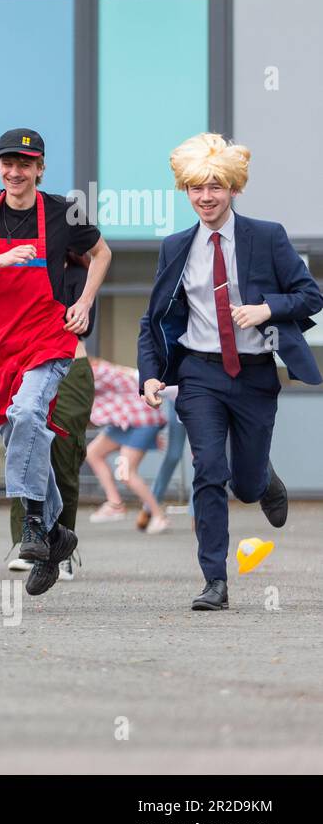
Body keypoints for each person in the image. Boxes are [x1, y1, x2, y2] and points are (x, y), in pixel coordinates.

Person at [139, 132, 322, 611]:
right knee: (208, 470)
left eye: (215, 188)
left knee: (243, 481)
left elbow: (311, 296)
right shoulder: (176, 246)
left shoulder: (267, 236)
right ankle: (214, 581)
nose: (206, 198)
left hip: (256, 373)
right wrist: (151, 374)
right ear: (186, 191)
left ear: (234, 189)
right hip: (199, 374)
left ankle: (262, 478)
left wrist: (266, 310)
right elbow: (153, 317)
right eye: (196, 189)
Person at [0, 129, 112, 597]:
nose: (15, 171)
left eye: (26, 163)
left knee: (28, 413)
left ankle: (34, 525)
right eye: (8, 163)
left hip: (48, 335)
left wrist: (85, 303)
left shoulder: (62, 210)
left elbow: (102, 253)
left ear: (40, 168)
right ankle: (58, 536)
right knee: (21, 431)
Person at [5, 257, 96, 581]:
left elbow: (82, 324)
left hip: (69, 366)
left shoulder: (79, 272)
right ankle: (28, 543)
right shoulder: (19, 265)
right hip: (24, 362)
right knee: (25, 447)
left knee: (64, 456)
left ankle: (63, 549)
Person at [83, 358, 169, 532]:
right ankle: (115, 504)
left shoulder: (96, 372)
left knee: (126, 473)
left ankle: (159, 516)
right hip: (126, 421)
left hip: (140, 422)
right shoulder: (102, 370)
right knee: (93, 453)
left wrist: (153, 430)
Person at [139, 397, 187, 529]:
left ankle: (197, 514)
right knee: (173, 455)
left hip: (205, 397)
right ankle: (150, 507)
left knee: (201, 458)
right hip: (177, 398)